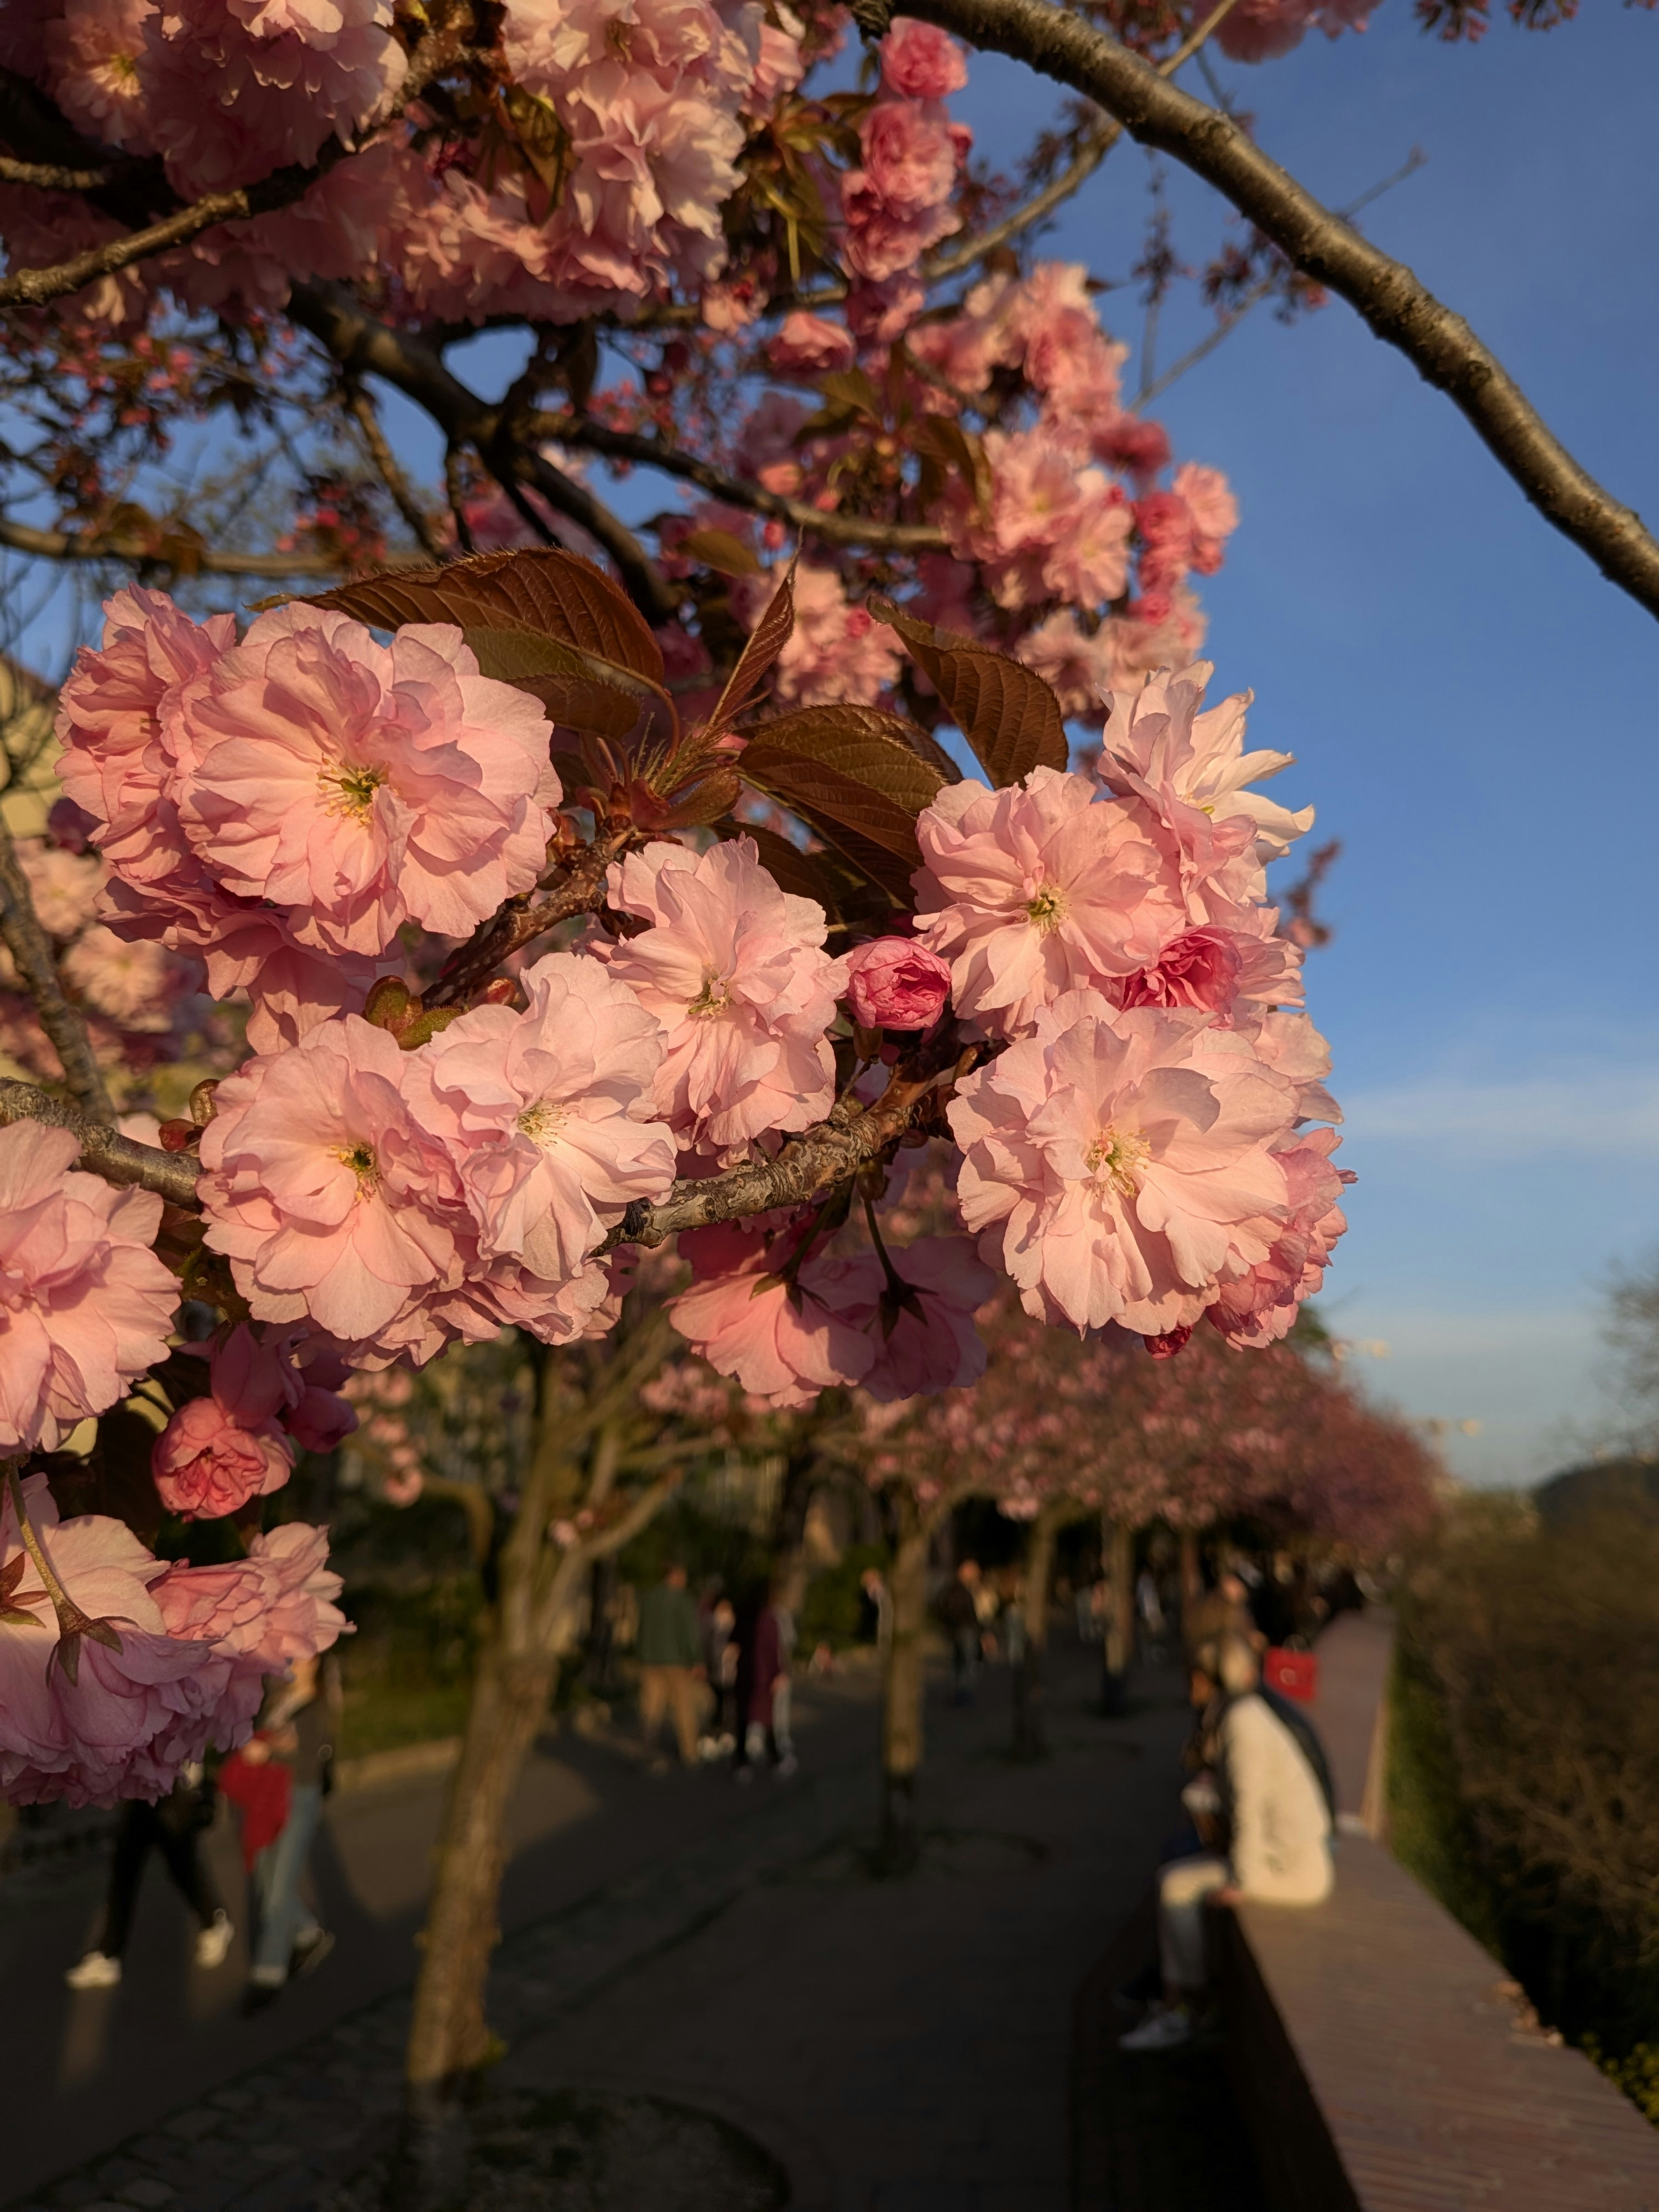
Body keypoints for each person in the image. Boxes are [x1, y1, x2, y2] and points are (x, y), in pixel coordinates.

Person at [1121, 1632, 1333, 2053]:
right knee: (1179, 1876)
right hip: (1285, 1858)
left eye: (1195, 1676)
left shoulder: (1241, 1722)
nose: (1189, 1684)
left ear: (1212, 1679)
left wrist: (1246, 1882)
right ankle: (1186, 2003)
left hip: (1294, 1871)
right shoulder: (1242, 1714)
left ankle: (1185, 2009)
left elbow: (1249, 1807)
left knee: (1177, 1885)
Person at [64, 1767, 233, 1989]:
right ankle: (108, 1954)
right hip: (143, 1783)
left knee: (180, 1864)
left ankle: (214, 1921)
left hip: (171, 1782)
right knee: (126, 1868)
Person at [235, 1655, 339, 2012]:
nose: (296, 1662)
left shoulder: (315, 1708)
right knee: (266, 1881)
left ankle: (268, 1975)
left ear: (318, 1663)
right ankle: (309, 1935)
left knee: (278, 1892)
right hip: (269, 1799)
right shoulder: (280, 1701)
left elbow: (309, 1764)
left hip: (297, 1799)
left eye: (306, 1657)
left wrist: (268, 1755)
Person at [637, 1562, 704, 1771]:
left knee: (651, 1709)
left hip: (651, 1661)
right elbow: (688, 1633)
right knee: (684, 1709)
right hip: (676, 1662)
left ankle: (648, 1753)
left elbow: (641, 1630)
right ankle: (689, 1753)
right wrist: (696, 1659)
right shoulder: (682, 1601)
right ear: (676, 1576)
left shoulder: (648, 1598)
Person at [937, 1560, 982, 1703]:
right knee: (966, 1662)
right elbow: (966, 1613)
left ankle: (961, 1692)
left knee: (960, 1662)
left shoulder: (953, 1590)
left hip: (958, 1630)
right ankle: (963, 1693)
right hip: (964, 1630)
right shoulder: (960, 1591)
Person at [700, 1593, 738, 1759]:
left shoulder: (735, 1627)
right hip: (716, 1674)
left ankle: (726, 1734)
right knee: (716, 1705)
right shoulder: (711, 1627)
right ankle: (712, 1735)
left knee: (730, 1705)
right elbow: (708, 1650)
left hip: (732, 1674)